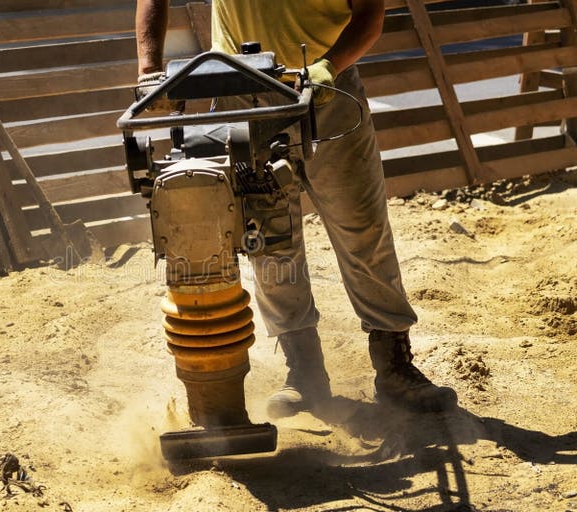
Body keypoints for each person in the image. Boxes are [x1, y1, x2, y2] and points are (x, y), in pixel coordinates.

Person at [135, 0, 458, 417]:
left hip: (328, 88)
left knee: (362, 227)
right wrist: (149, 70)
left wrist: (329, 66)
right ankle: (304, 371)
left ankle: (394, 364)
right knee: (267, 237)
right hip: (242, 93)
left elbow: (369, 14)